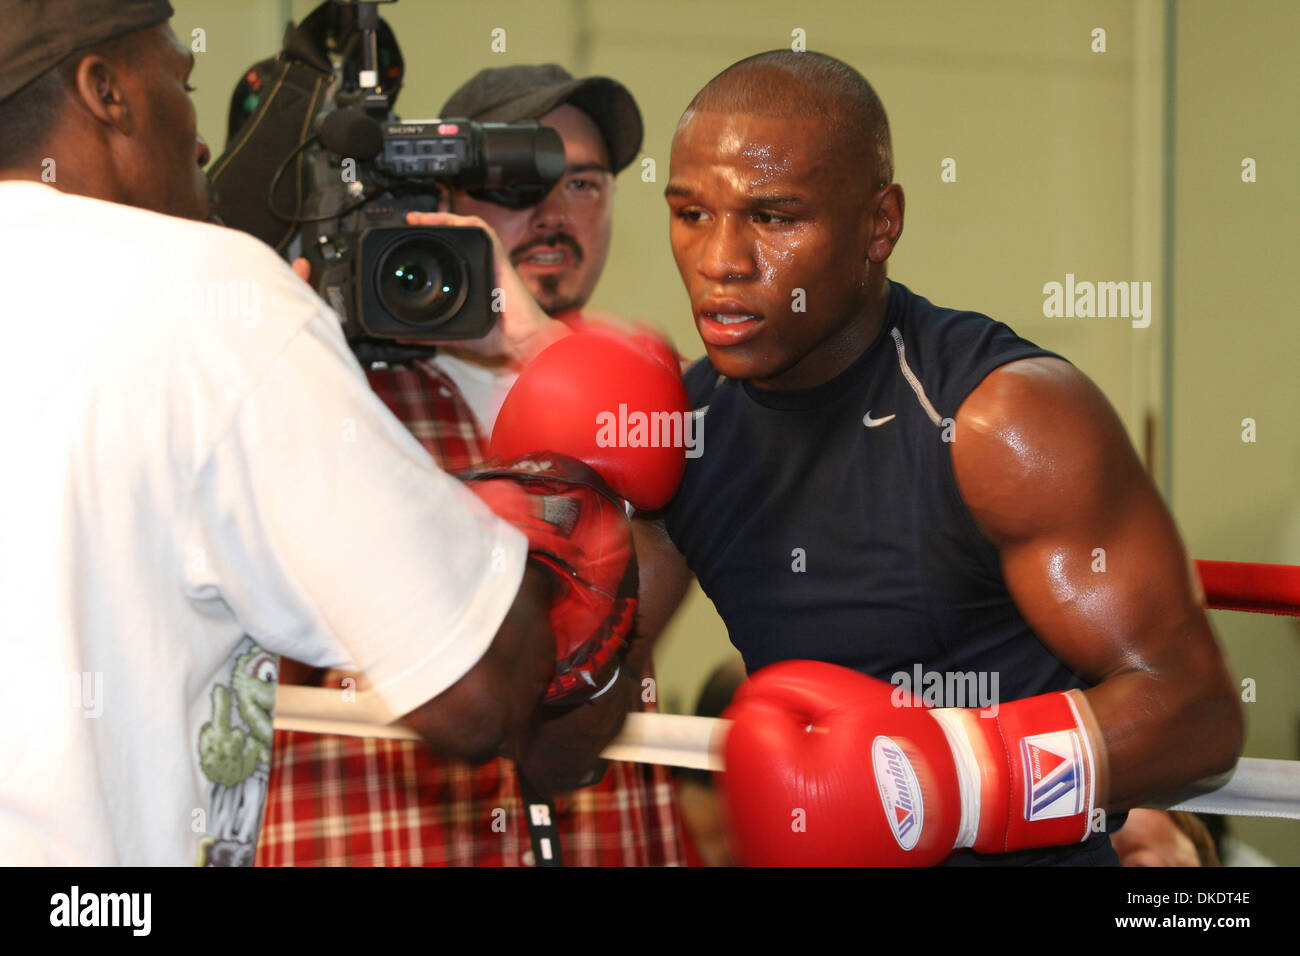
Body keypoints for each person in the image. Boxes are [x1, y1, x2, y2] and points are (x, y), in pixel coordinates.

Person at [0, 2, 636, 866]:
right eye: (180, 83)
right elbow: (478, 692)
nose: (200, 143)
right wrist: (564, 515)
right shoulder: (209, 295)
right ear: (106, 91)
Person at [646, 50, 1242, 865]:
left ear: (879, 224)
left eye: (775, 218)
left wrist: (951, 784)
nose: (722, 260)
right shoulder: (683, 429)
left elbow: (1198, 714)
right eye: (690, 214)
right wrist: (545, 488)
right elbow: (560, 734)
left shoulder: (1002, 420)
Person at [257, 65, 687, 867]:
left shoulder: (650, 376)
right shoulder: (334, 384)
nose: (557, 213)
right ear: (438, 197)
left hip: (603, 834)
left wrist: (538, 352)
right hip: (374, 839)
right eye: (520, 181)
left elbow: (601, 660)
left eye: (587, 184)